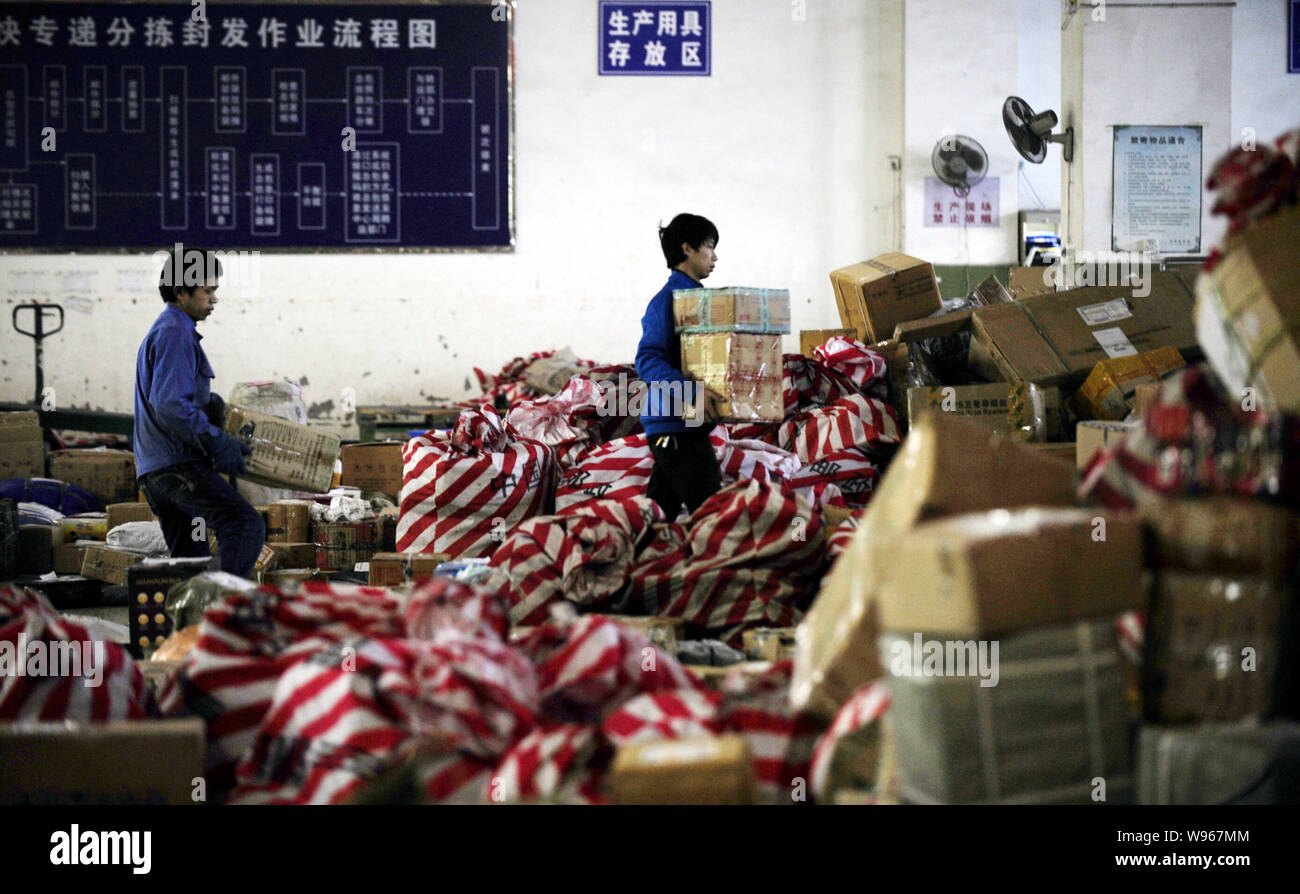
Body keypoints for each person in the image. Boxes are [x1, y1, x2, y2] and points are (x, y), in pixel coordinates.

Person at [133, 247, 265, 578]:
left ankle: (189, 625)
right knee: (243, 524)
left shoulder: (169, 330)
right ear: (181, 291)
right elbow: (169, 405)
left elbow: (170, 395)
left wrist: (209, 405)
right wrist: (213, 438)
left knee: (191, 562)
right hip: (177, 469)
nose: (214, 299)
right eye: (208, 291)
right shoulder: (174, 332)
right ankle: (218, 613)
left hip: (157, 474)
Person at [635, 213, 725, 521]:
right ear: (687, 248)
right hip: (673, 424)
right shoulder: (668, 300)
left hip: (686, 424)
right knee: (713, 513)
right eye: (709, 247)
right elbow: (647, 359)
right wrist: (691, 392)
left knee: (660, 513)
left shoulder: (700, 300)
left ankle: (636, 562)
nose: (715, 256)